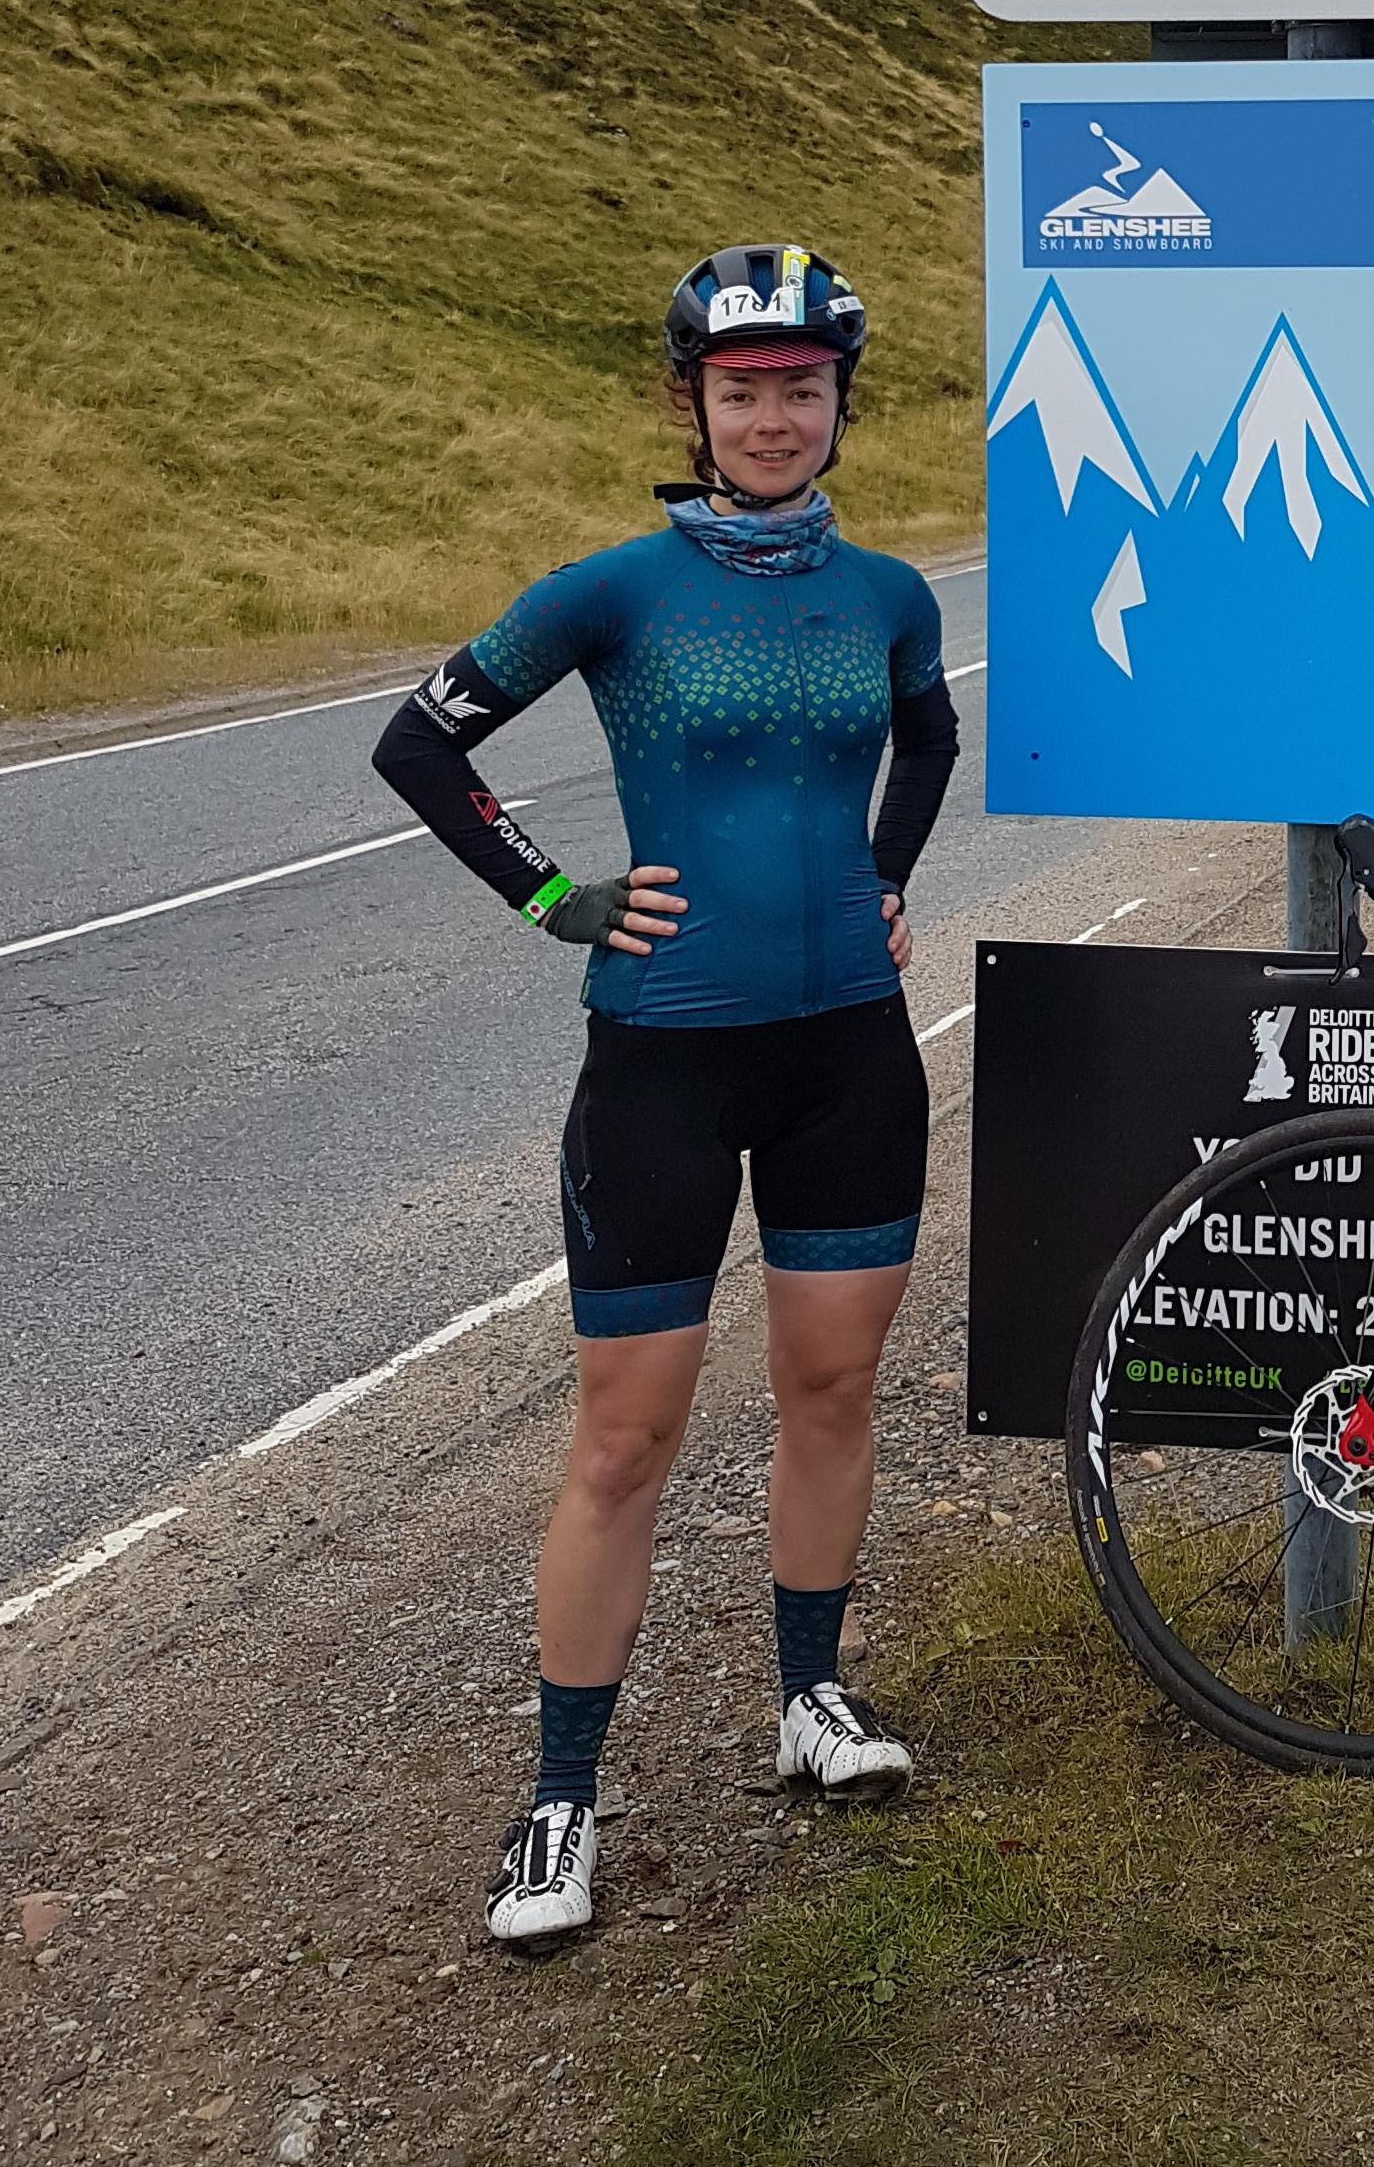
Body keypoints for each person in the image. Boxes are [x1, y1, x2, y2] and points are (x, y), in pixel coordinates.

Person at [372, 244, 960, 1949]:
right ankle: (559, 1803)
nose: (773, 416)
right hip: (663, 1062)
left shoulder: (890, 598)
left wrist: (888, 879)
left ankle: (809, 1699)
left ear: (842, 401)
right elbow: (422, 743)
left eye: (802, 388)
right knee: (626, 1440)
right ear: (693, 402)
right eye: (742, 388)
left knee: (834, 1389)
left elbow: (922, 746)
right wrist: (555, 897)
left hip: (850, 1045)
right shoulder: (613, 591)